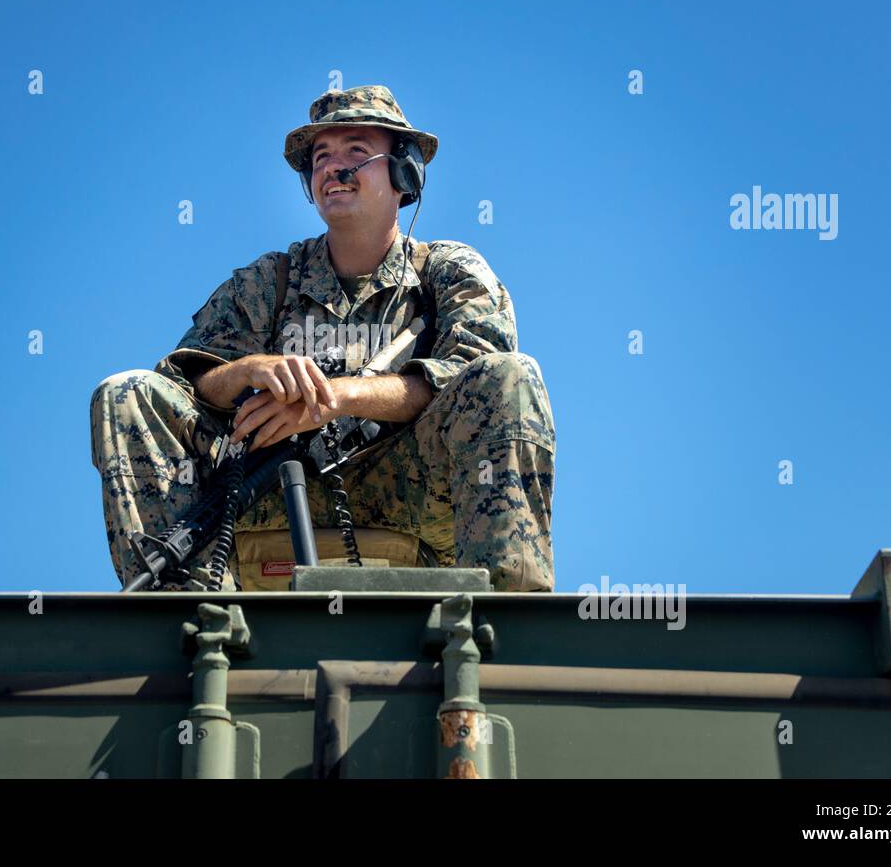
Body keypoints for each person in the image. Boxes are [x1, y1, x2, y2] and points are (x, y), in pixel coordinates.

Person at [90, 85, 556, 591]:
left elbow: (469, 375)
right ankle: (180, 610)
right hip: (262, 490)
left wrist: (332, 398)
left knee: (511, 376)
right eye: (321, 157)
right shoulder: (270, 280)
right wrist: (247, 371)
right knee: (126, 392)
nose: (334, 167)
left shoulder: (446, 272)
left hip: (411, 490)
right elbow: (183, 384)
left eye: (356, 151)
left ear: (404, 173)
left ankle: (510, 609)